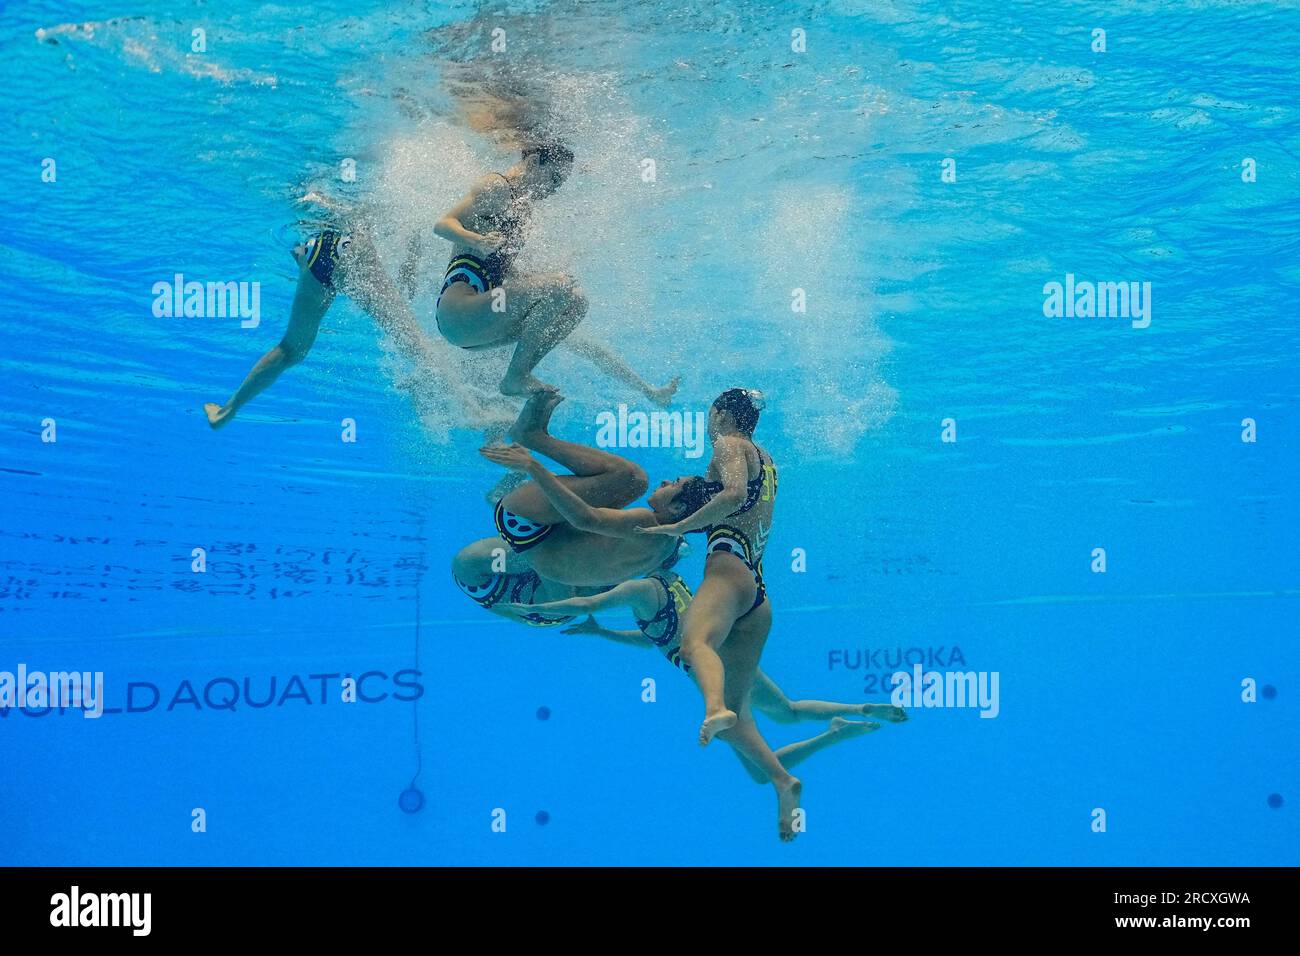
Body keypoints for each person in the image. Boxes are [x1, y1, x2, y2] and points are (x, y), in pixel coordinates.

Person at [514, 574, 907, 785]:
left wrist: (531, 608)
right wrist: (602, 634)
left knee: (758, 772)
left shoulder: (635, 590)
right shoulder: (676, 586)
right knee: (787, 711)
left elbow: (584, 603)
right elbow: (652, 639)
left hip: (716, 677)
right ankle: (856, 708)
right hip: (737, 661)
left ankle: (834, 734)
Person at [636, 388, 800, 838]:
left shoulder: (728, 445)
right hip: (758, 594)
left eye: (710, 412)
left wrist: (678, 526)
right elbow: (745, 502)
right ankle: (783, 782)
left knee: (694, 643)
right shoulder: (767, 459)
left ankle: (712, 709)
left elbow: (732, 495)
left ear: (722, 413)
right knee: (736, 716)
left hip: (728, 571)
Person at [205, 210, 498, 430]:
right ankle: (471, 409)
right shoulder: (373, 189)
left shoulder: (309, 213)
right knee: (413, 341)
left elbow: (299, 250)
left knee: (291, 350)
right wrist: (410, 262)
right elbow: (406, 221)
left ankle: (227, 410)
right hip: (350, 248)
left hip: (314, 252)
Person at [434, 141, 677, 402]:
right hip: (458, 313)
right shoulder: (497, 186)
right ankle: (516, 376)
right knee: (560, 286)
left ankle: (647, 391)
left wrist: (539, 286)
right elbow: (443, 223)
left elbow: (503, 268)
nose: (553, 189)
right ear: (534, 161)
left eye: (559, 184)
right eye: (555, 178)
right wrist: (475, 240)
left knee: (575, 302)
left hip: (478, 328)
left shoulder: (523, 213)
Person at [478, 393, 691, 588]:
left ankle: (531, 436)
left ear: (678, 507)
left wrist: (532, 466)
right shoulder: (661, 548)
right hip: (536, 541)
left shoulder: (647, 525)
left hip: (524, 525)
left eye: (675, 484)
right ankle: (507, 484)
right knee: (628, 489)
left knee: (633, 478)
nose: (665, 481)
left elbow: (584, 519)